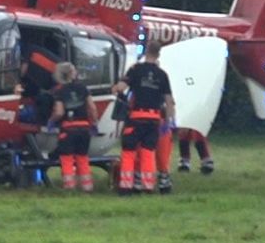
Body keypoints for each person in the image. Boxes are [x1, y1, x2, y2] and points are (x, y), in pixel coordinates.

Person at [113, 41, 175, 194]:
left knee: (129, 152)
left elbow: (120, 88)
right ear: (158, 54)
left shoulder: (135, 69)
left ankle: (126, 186)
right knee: (148, 152)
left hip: (136, 117)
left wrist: (115, 87)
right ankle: (148, 186)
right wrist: (168, 121)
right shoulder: (162, 75)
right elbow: (169, 101)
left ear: (146, 51)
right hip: (153, 119)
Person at [49, 61, 99, 191]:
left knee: (67, 158)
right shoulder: (83, 88)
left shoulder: (59, 91)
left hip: (68, 128)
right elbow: (92, 108)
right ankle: (87, 187)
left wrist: (51, 120)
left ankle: (69, 187)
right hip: (84, 128)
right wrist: (94, 123)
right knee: (82, 157)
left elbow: (59, 112)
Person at [15, 45, 57, 125]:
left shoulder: (29, 50)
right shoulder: (35, 51)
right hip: (45, 83)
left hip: (53, 84)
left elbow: (23, 71)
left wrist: (15, 81)